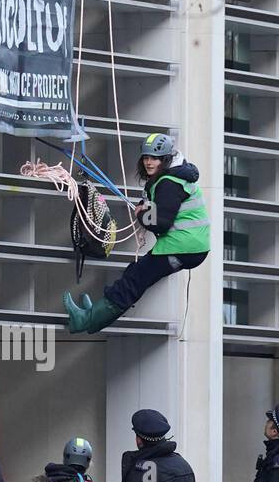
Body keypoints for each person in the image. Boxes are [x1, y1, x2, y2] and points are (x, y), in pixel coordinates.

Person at [63, 133, 210, 333]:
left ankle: (87, 320)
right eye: (146, 157)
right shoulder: (175, 176)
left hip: (182, 246)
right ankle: (94, 316)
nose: (149, 162)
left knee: (134, 280)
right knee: (135, 277)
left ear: (166, 159)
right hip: (189, 246)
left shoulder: (169, 182)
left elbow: (161, 223)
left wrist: (142, 214)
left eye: (155, 158)